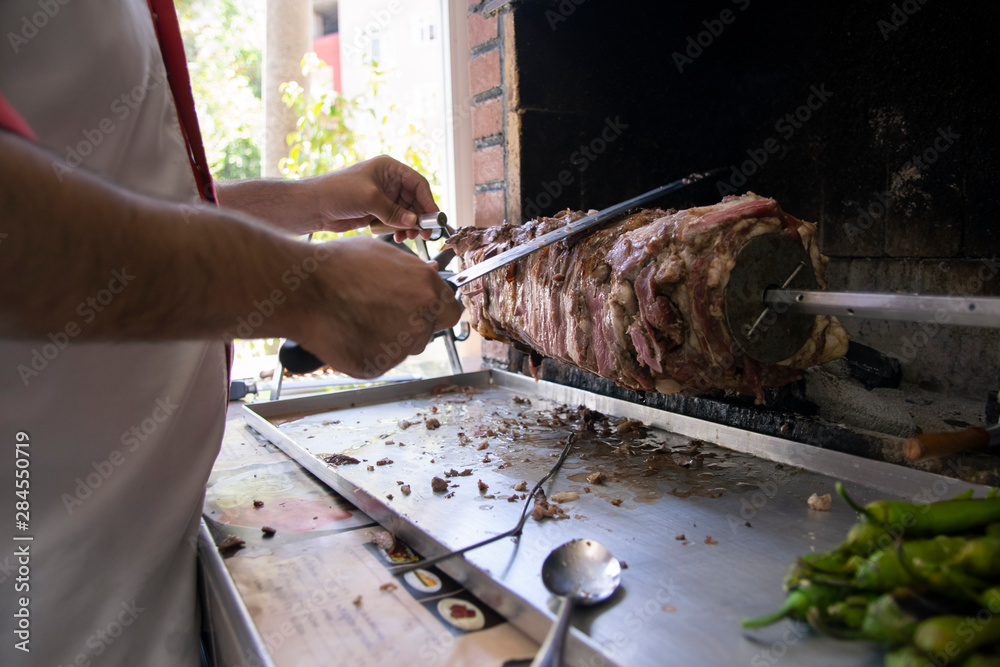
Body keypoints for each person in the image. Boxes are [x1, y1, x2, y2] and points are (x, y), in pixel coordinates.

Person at [0, 1, 462, 665]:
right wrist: (310, 289)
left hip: (146, 577)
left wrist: (308, 202)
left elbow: (126, 194)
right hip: (46, 609)